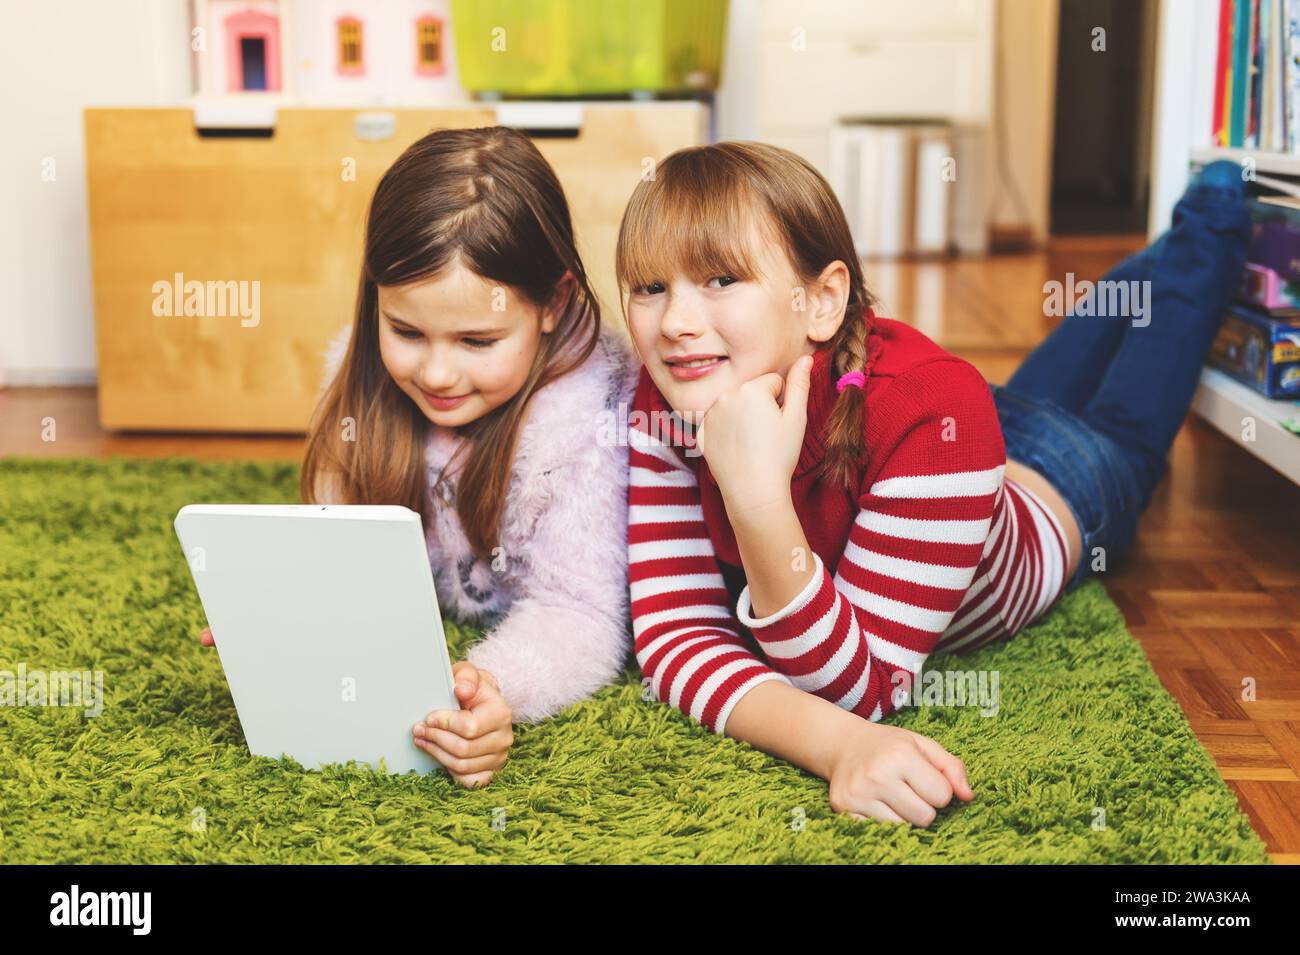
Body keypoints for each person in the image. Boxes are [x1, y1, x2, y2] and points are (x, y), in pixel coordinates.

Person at [617, 142, 1250, 826]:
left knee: (1160, 331)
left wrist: (757, 500)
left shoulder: (938, 406)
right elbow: (677, 639)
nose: (676, 323)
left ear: (823, 301)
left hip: (1060, 484)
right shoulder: (670, 394)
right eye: (651, 287)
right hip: (957, 446)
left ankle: (1215, 207)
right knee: (1123, 302)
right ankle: (1174, 246)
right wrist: (839, 748)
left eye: (717, 279)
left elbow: (855, 690)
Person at [200, 126, 640, 789]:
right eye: (406, 331)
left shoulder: (592, 423)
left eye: (476, 340)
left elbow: (582, 613)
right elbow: (342, 555)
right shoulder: (362, 396)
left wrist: (495, 684)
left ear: (554, 302)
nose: (437, 372)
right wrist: (288, 610)